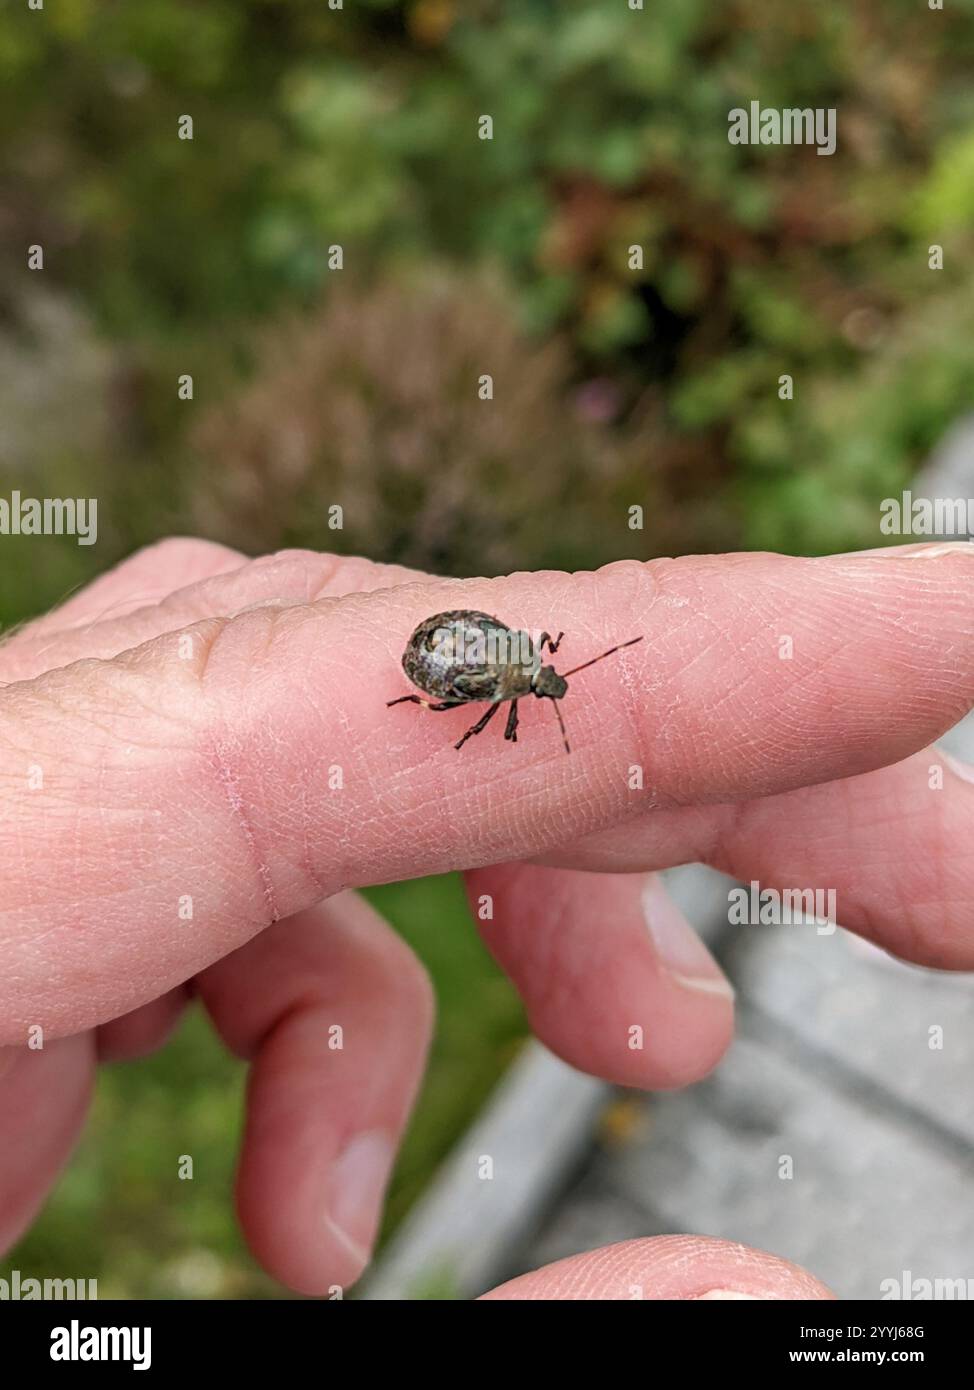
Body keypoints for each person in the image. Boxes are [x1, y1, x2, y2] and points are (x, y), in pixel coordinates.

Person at [1, 538, 971, 1299]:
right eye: (546, 684)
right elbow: (461, 678)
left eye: (544, 686)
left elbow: (479, 666)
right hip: (453, 646)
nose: (548, 691)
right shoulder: (507, 678)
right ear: (536, 670)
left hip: (458, 642)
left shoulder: (525, 672)